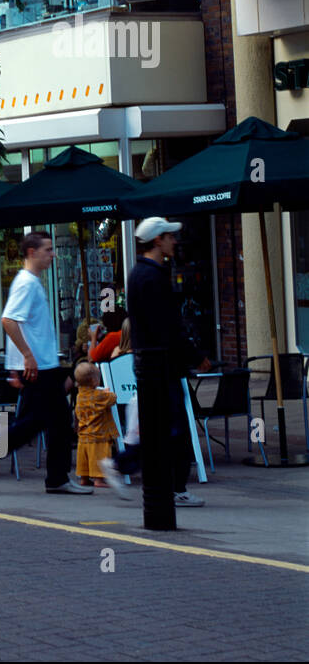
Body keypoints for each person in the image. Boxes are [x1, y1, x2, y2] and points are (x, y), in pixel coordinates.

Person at [0, 231, 90, 494]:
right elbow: (8, 320)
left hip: (40, 365)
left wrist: (17, 364)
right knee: (53, 420)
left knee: (36, 423)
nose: (53, 254)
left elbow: (19, 325)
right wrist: (26, 357)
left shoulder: (31, 282)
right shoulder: (26, 283)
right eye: (48, 249)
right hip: (39, 367)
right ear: (32, 253)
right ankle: (55, 478)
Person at [125, 217, 209, 511]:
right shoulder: (152, 277)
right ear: (158, 240)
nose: (175, 241)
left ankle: (164, 482)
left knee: (164, 428)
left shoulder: (143, 273)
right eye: (170, 237)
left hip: (155, 365)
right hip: (162, 366)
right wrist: (195, 356)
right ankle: (171, 487)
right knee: (174, 429)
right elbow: (168, 327)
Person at [73, 361, 117, 487]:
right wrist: (108, 392)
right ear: (93, 381)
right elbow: (113, 398)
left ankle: (84, 479)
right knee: (99, 457)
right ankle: (99, 480)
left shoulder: (79, 396)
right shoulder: (99, 395)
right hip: (99, 435)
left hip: (83, 435)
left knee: (84, 458)